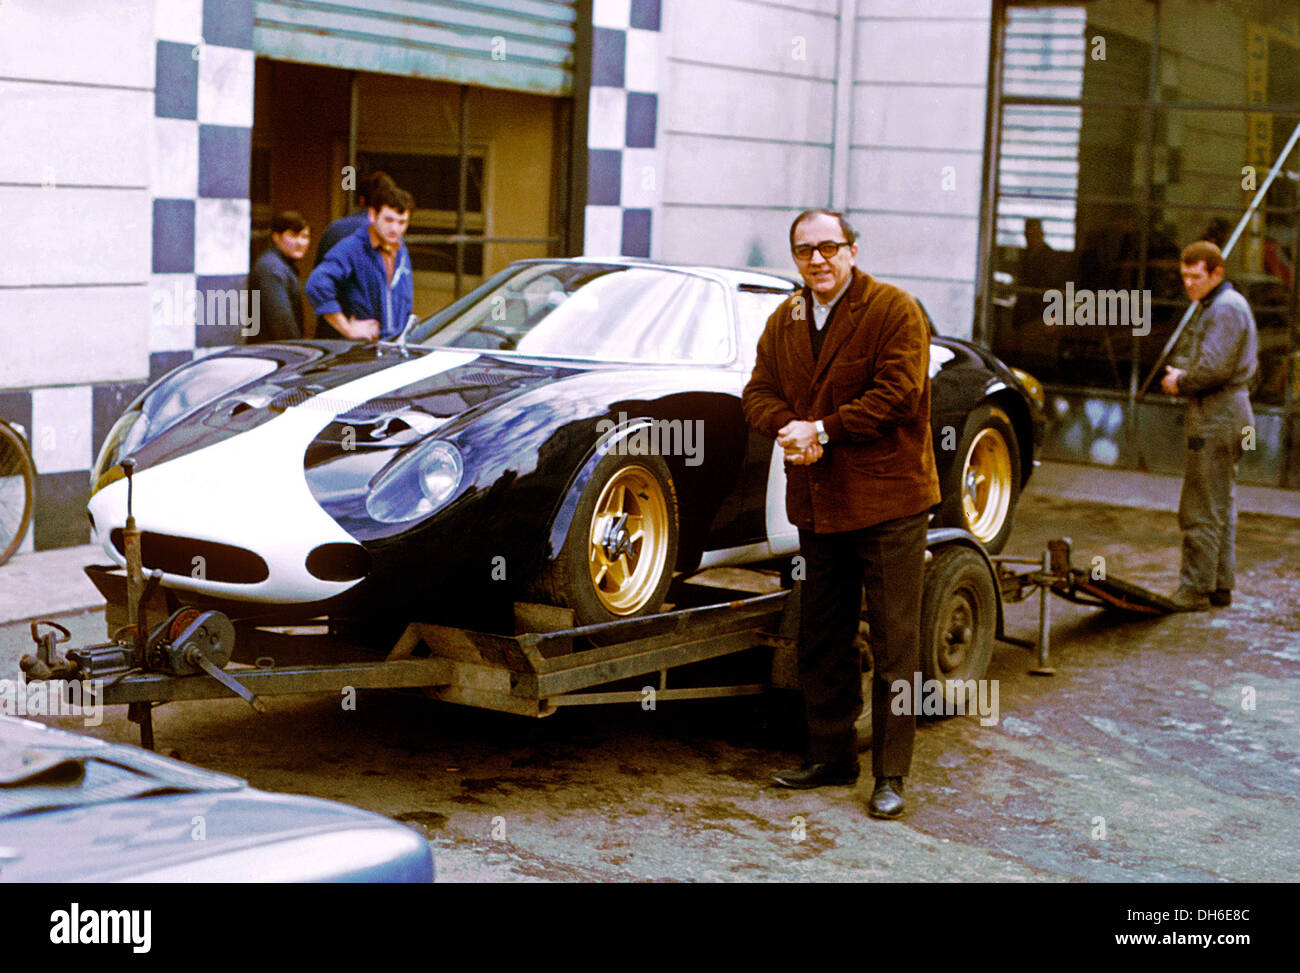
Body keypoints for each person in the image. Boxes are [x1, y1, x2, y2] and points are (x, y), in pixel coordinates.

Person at [742, 209, 941, 819]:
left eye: (830, 248)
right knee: (822, 637)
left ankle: (891, 774)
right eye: (805, 251)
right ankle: (831, 755)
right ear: (795, 258)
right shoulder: (787, 318)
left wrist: (820, 430)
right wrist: (787, 426)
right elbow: (757, 393)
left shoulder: (894, 310)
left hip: (889, 503)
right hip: (819, 504)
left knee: (894, 641)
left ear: (852, 250)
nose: (818, 260)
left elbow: (898, 395)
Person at [1161, 240, 1258, 611]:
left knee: (1201, 504)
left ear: (1216, 273)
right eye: (1184, 276)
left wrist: (1179, 382)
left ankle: (1196, 588)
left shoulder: (1224, 309)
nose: (1188, 284)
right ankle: (1218, 584)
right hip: (1225, 411)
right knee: (1220, 500)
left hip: (1218, 414)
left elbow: (1214, 369)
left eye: (1195, 276)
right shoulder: (1220, 305)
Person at [306, 182, 415, 342]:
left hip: (393, 346)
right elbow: (317, 283)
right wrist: (347, 328)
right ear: (372, 215)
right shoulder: (353, 247)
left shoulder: (400, 248)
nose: (395, 229)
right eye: (389, 220)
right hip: (364, 348)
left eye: (401, 222)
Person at [245, 210, 310, 343]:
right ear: (276, 237)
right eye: (293, 235)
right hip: (270, 353)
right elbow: (281, 323)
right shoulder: (272, 269)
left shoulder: (280, 265)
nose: (300, 242)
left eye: (304, 236)